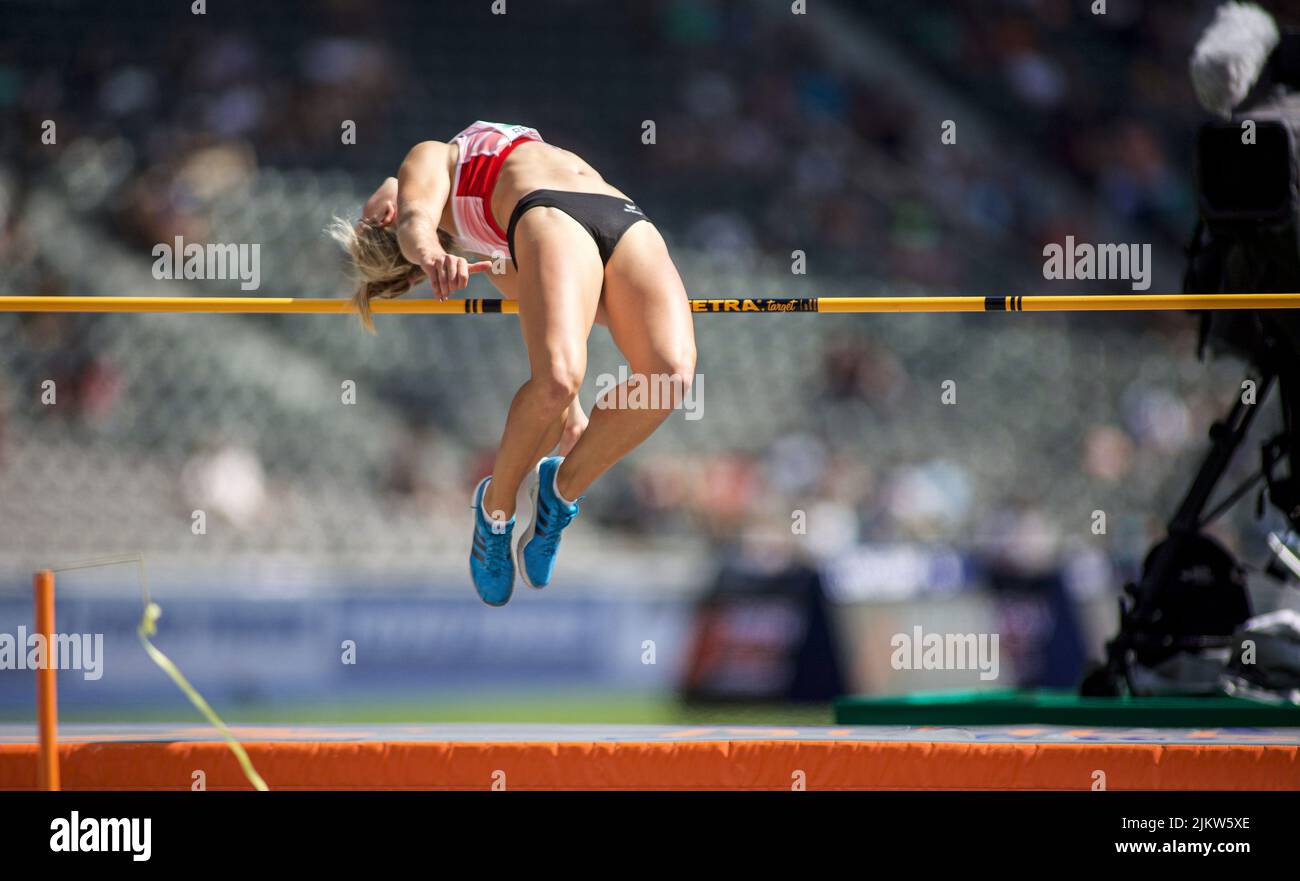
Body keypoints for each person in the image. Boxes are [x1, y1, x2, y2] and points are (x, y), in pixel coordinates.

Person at [331, 121, 696, 606]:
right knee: (557, 383)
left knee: (669, 377)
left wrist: (428, 251)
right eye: (370, 222)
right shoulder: (436, 179)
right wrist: (429, 254)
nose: (367, 214)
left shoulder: (465, 201)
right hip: (547, 212)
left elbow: (420, 223)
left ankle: (559, 494)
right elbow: (416, 219)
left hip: (617, 208)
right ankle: (495, 514)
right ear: (388, 224)